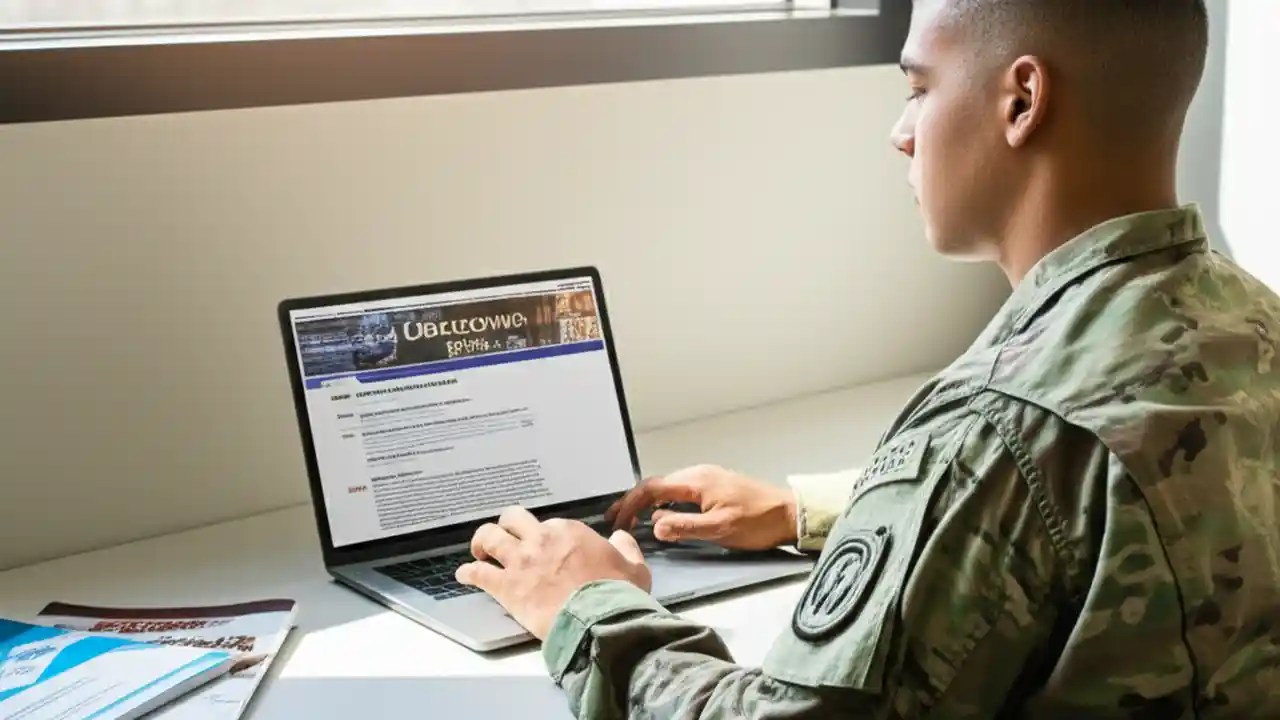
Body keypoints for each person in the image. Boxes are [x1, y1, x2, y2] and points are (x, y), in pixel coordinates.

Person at [456, 0, 1280, 716]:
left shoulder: (999, 430)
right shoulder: (1254, 325)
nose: (900, 132)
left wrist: (588, 606)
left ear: (1022, 100)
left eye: (919, 88)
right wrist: (803, 511)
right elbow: (1104, 501)